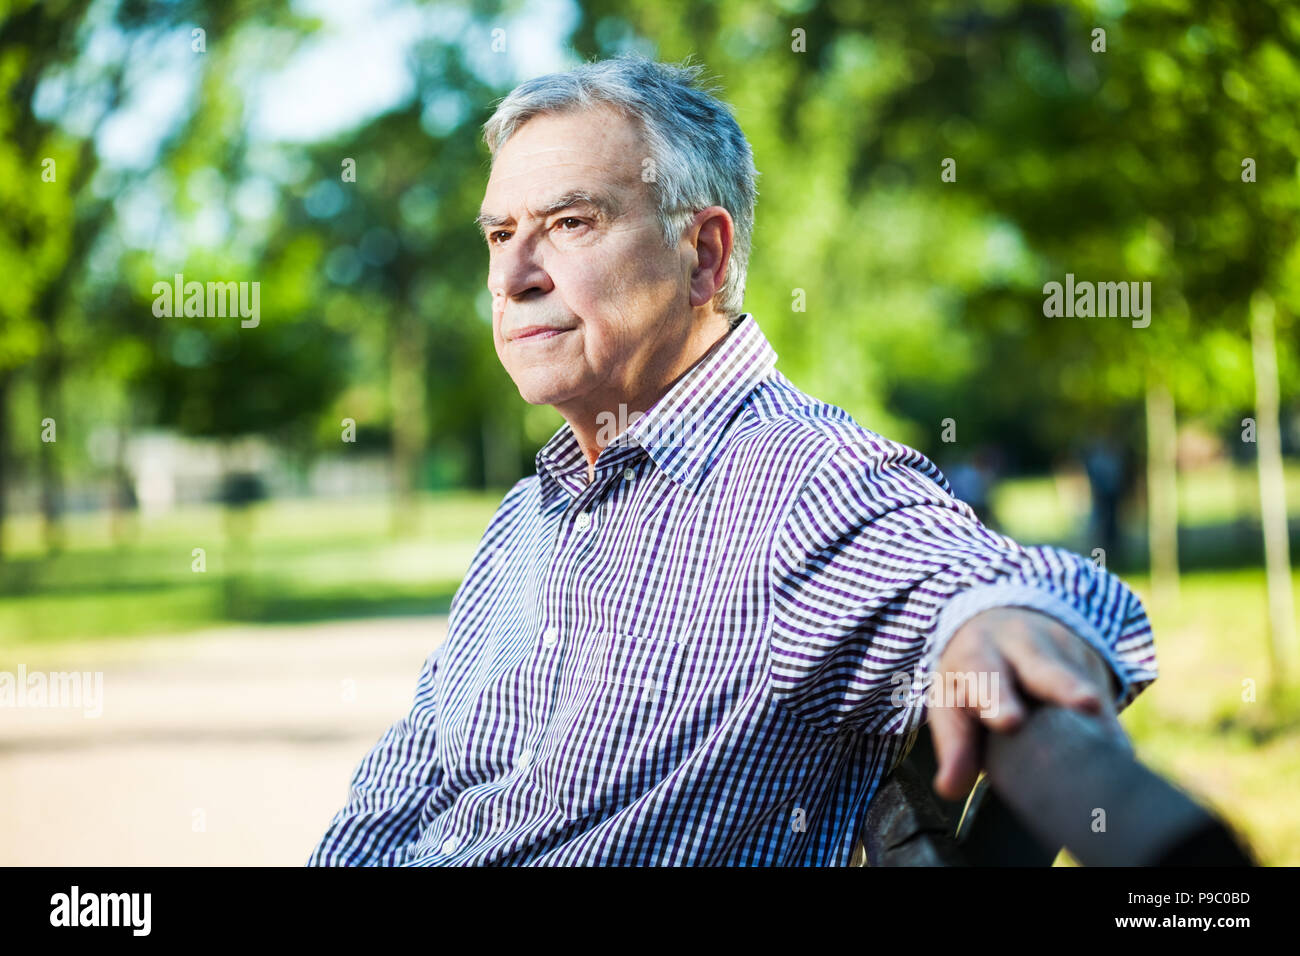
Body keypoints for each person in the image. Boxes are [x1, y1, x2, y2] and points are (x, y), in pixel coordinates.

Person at [307, 54, 1158, 866]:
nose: (513, 276)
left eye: (570, 224)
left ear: (703, 255)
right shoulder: (526, 515)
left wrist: (993, 621)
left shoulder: (802, 485)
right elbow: (405, 784)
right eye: (500, 234)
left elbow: (1013, 588)